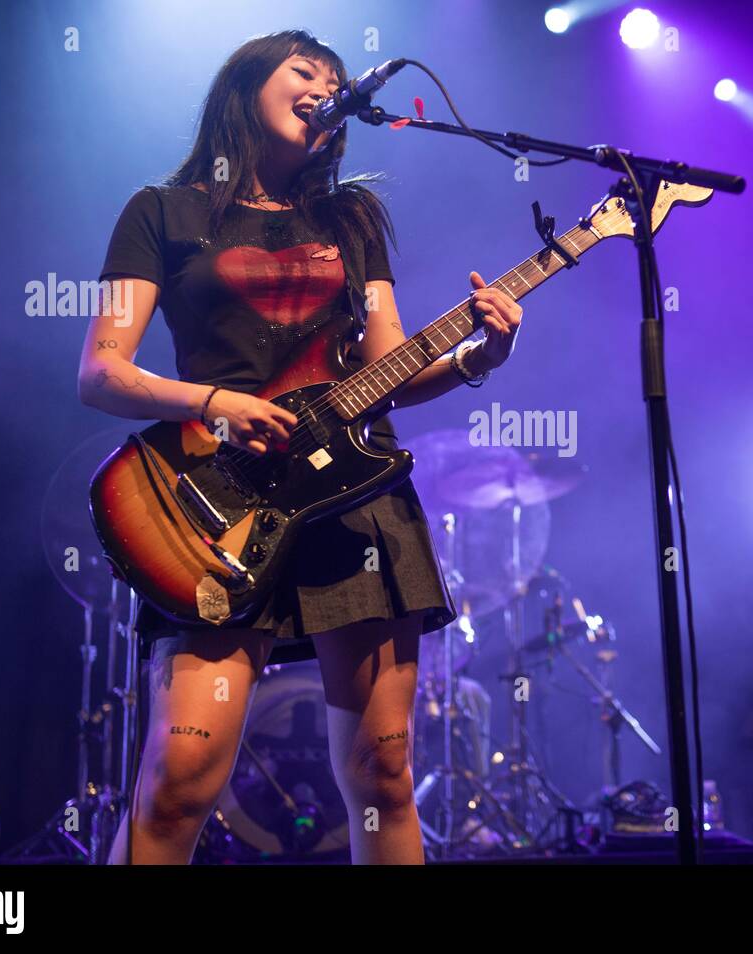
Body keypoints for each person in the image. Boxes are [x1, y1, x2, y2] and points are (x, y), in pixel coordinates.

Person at [77, 30, 524, 864]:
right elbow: (101, 372)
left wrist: (478, 357)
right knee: (179, 780)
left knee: (384, 782)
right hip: (217, 507)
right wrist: (215, 402)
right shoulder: (162, 211)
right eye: (305, 71)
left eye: (337, 79)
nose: (326, 86)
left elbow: (388, 369)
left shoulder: (350, 217)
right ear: (248, 87)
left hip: (356, 509)